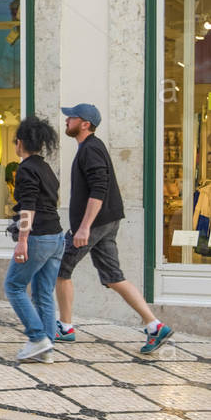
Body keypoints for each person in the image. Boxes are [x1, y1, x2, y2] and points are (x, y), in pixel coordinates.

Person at [54, 104, 173, 354]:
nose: (67, 120)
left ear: (85, 123)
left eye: (72, 117)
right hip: (105, 223)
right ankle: (154, 326)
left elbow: (99, 188)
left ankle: (65, 327)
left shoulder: (91, 149)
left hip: (93, 224)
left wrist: (84, 228)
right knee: (113, 277)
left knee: (60, 268)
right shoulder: (90, 148)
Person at [4, 116, 65, 362]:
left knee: (14, 286)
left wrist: (22, 240)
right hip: (57, 238)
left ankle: (37, 337)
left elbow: (28, 208)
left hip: (38, 237)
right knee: (43, 294)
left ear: (20, 143)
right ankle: (46, 348)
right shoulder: (46, 168)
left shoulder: (27, 168)